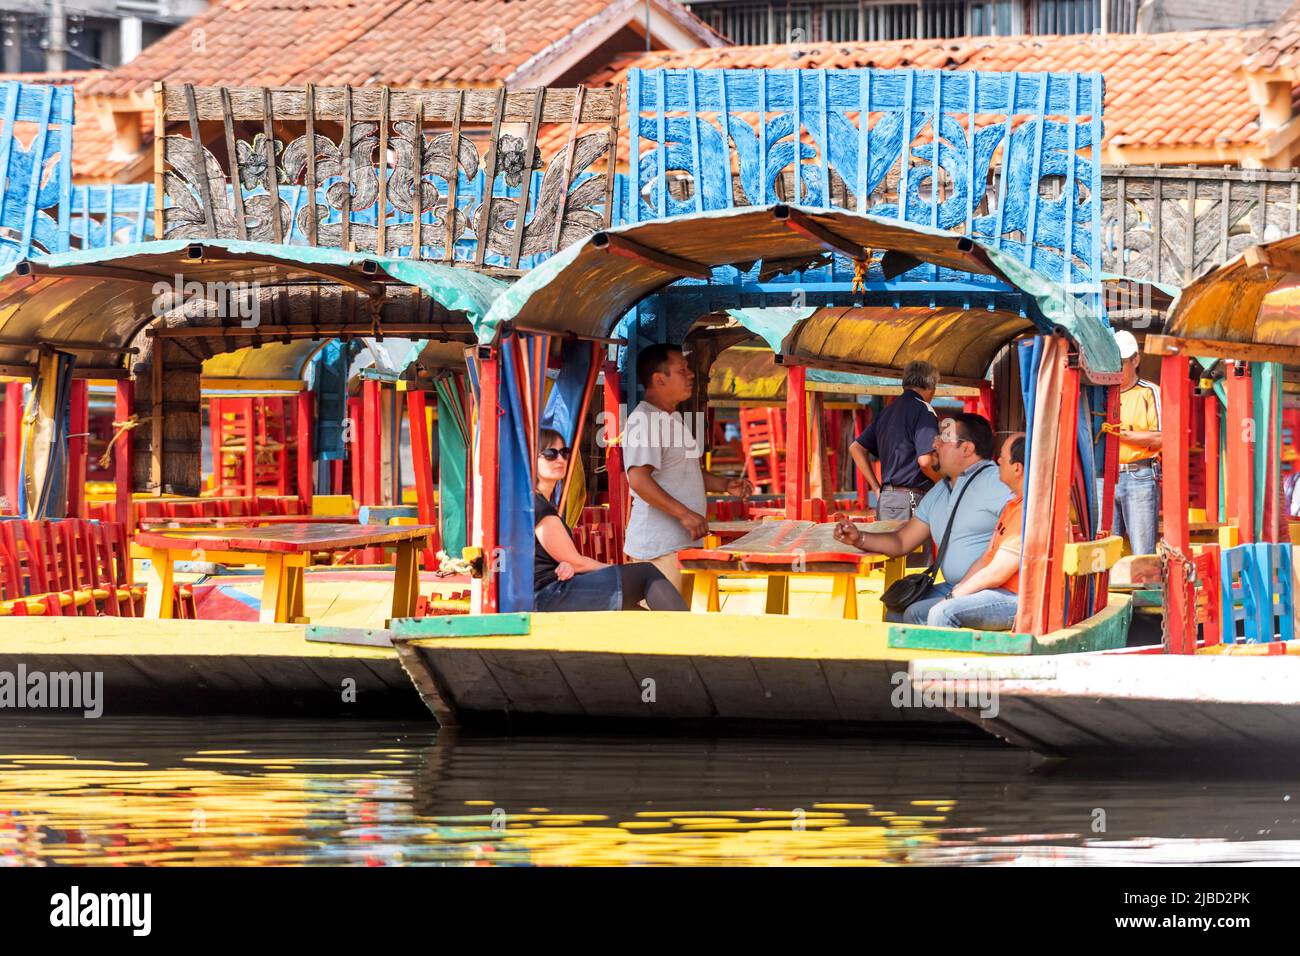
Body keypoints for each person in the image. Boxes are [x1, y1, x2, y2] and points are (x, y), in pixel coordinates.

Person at [832, 412, 1010, 625]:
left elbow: (1023, 525)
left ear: (966, 448)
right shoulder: (940, 491)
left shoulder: (994, 480)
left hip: (995, 590)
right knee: (896, 610)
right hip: (955, 586)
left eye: (944, 438)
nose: (935, 444)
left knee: (918, 613)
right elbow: (902, 541)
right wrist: (858, 538)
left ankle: (936, 660)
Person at [622, 343, 752, 592]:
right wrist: (685, 514)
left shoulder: (673, 417)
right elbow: (638, 480)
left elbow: (687, 471)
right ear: (659, 380)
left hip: (682, 544)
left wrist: (724, 484)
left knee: (684, 624)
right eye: (682, 370)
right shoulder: (644, 421)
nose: (691, 374)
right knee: (667, 626)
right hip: (659, 548)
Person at [533, 428, 687, 612]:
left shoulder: (540, 503)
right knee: (646, 573)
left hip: (553, 590)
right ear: (531, 460)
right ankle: (689, 637)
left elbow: (549, 559)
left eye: (564, 452)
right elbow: (577, 562)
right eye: (550, 454)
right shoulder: (538, 506)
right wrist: (613, 569)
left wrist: (564, 564)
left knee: (636, 613)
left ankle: (676, 637)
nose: (560, 459)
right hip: (549, 595)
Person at [923, 433, 1025, 631]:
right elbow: (984, 560)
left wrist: (954, 597)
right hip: (997, 592)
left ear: (1017, 468)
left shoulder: (1029, 510)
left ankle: (941, 663)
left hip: (1017, 597)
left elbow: (996, 573)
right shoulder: (1012, 505)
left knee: (942, 612)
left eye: (1003, 457)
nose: (998, 461)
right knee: (914, 612)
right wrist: (959, 589)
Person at [849, 360, 941, 521]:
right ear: (932, 387)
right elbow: (926, 461)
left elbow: (856, 448)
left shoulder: (887, 412)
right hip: (912, 500)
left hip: (886, 500)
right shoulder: (924, 410)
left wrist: (877, 488)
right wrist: (945, 484)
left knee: (887, 546)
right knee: (913, 546)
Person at [1106, 329, 1162, 555]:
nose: (1118, 368)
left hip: (1139, 475)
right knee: (1104, 553)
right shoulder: (1104, 395)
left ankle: (1146, 590)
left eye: (1121, 362)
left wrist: (1123, 435)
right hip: (1107, 477)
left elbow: (1161, 437)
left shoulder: (1149, 392)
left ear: (1135, 360)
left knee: (1142, 552)